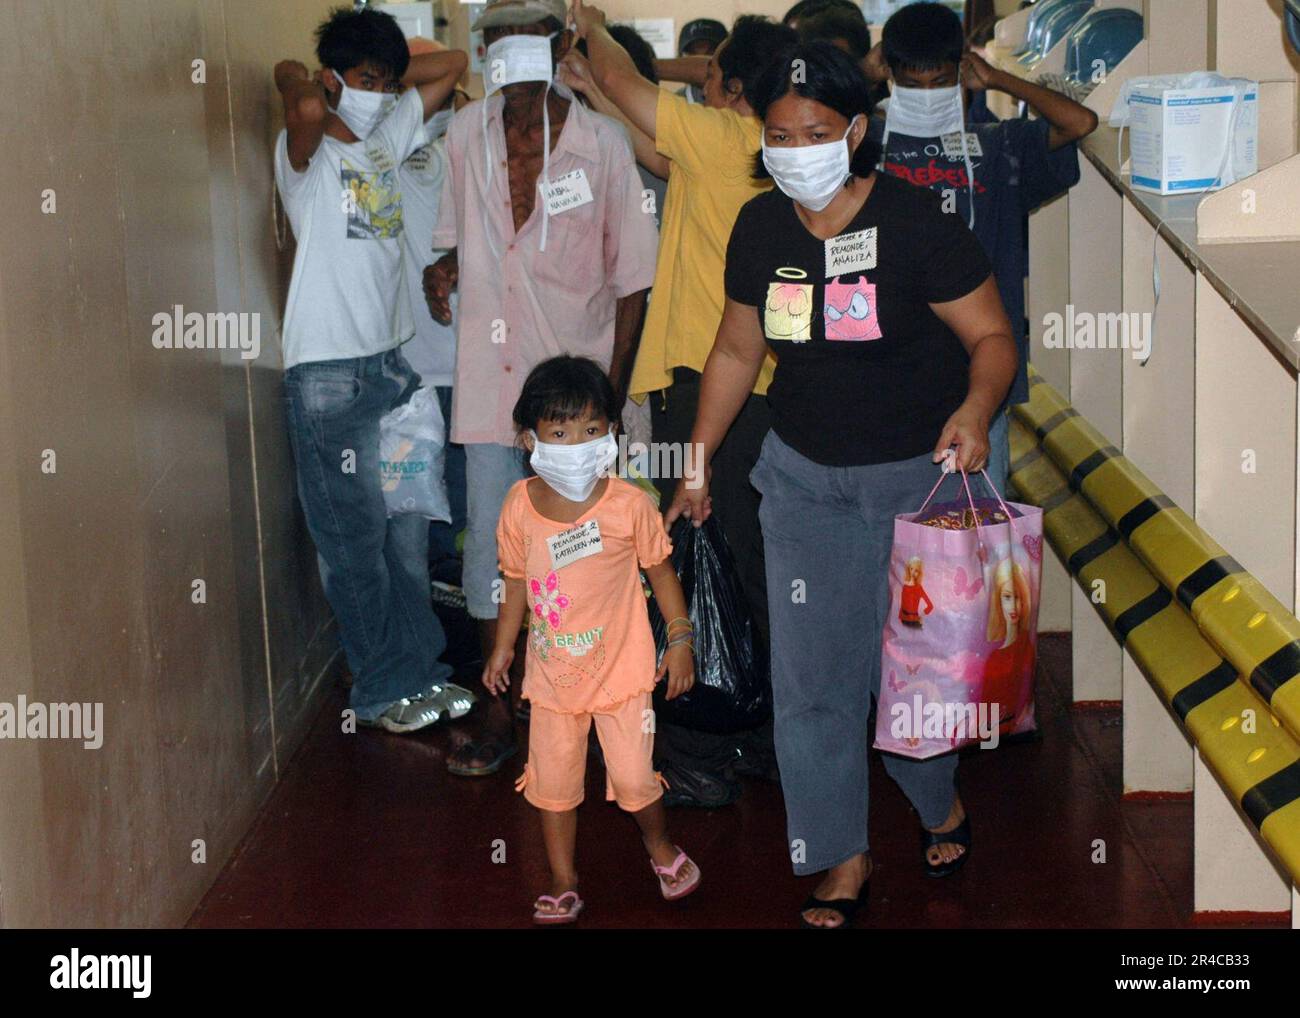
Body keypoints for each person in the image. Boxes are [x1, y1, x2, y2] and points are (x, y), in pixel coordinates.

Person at [666, 41, 1017, 928]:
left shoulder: (916, 224)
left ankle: (936, 802)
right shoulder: (762, 230)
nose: (795, 150)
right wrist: (698, 462)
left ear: (856, 131)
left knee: (918, 681)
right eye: (779, 136)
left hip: (918, 487)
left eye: (815, 133)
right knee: (814, 681)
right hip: (804, 484)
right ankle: (841, 856)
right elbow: (737, 350)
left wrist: (975, 412)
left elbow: (993, 340)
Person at [569, 1, 798, 808]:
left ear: (733, 90)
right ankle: (766, 734)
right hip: (756, 392)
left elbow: (622, 79)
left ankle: (709, 739)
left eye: (708, 77)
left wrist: (589, 26)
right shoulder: (751, 152)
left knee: (703, 559)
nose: (698, 88)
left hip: (709, 393)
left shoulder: (725, 136)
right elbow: (653, 149)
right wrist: (595, 97)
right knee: (747, 561)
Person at [423, 0, 658, 777]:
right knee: (495, 548)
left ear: (557, 46)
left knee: (595, 554)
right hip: (492, 390)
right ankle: (501, 712)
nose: (509, 57)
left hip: (577, 399)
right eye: (496, 42)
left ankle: (604, 708)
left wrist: (612, 406)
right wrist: (444, 267)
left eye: (526, 41)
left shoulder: (603, 145)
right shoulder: (465, 135)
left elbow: (633, 283)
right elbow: (457, 237)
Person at [273, 7, 467, 733]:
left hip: (389, 371)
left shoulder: (388, 137)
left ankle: (422, 671)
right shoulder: (308, 157)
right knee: (352, 548)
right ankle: (383, 690)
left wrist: (379, 73)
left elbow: (449, 66)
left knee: (399, 541)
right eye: (365, 80)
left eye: (388, 81)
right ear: (332, 81)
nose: (382, 93)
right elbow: (295, 100)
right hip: (326, 378)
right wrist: (315, 80)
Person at [487, 356, 699, 924]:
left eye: (591, 429)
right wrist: (504, 647)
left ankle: (659, 846)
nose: (577, 444)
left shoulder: (630, 505)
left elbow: (661, 574)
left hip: (624, 672)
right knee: (553, 785)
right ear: (531, 438)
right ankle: (563, 878)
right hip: (554, 680)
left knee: (634, 778)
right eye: (560, 432)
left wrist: (680, 638)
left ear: (612, 431)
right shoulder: (517, 508)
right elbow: (515, 585)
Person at [868, 1, 1098, 492]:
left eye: (940, 82)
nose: (927, 95)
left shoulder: (996, 146)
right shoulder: (864, 142)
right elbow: (799, 113)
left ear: (960, 73)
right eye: (911, 83)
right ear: (888, 75)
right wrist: (862, 74)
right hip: (885, 376)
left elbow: (1078, 123)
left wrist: (997, 79)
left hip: (978, 380)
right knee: (891, 538)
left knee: (966, 541)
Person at [676, 18, 727, 104]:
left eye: (711, 53)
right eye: (692, 55)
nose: (701, 65)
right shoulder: (672, 105)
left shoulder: (744, 106)